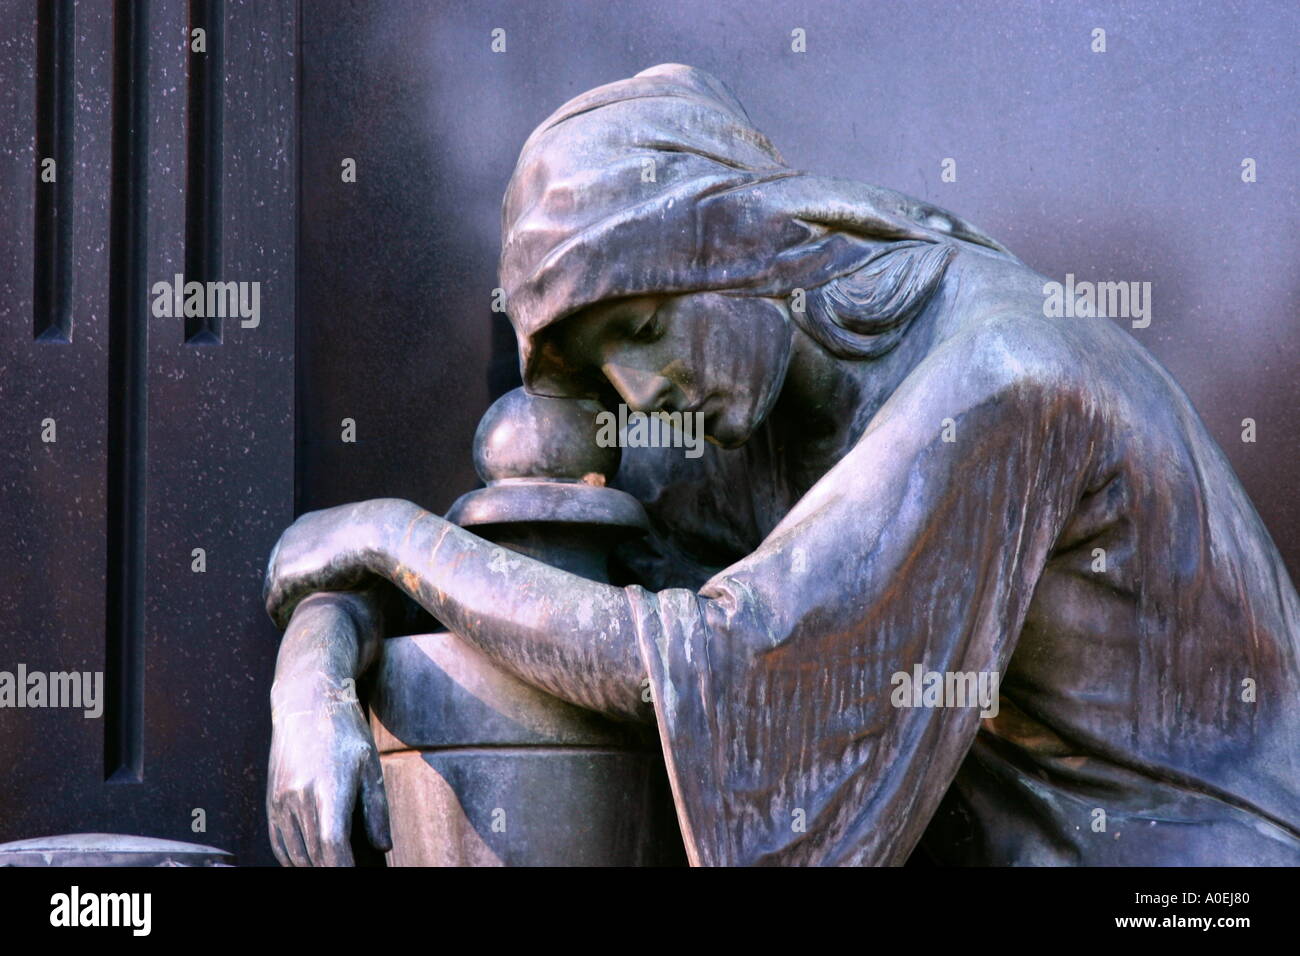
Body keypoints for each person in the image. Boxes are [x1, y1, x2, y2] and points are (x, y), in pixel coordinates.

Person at [264, 64, 1300, 866]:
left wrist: (389, 534)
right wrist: (315, 661)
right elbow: (523, 577)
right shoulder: (749, 411)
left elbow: (699, 661)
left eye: (644, 321)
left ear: (736, 245)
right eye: (598, 366)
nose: (638, 394)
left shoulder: (1001, 383)